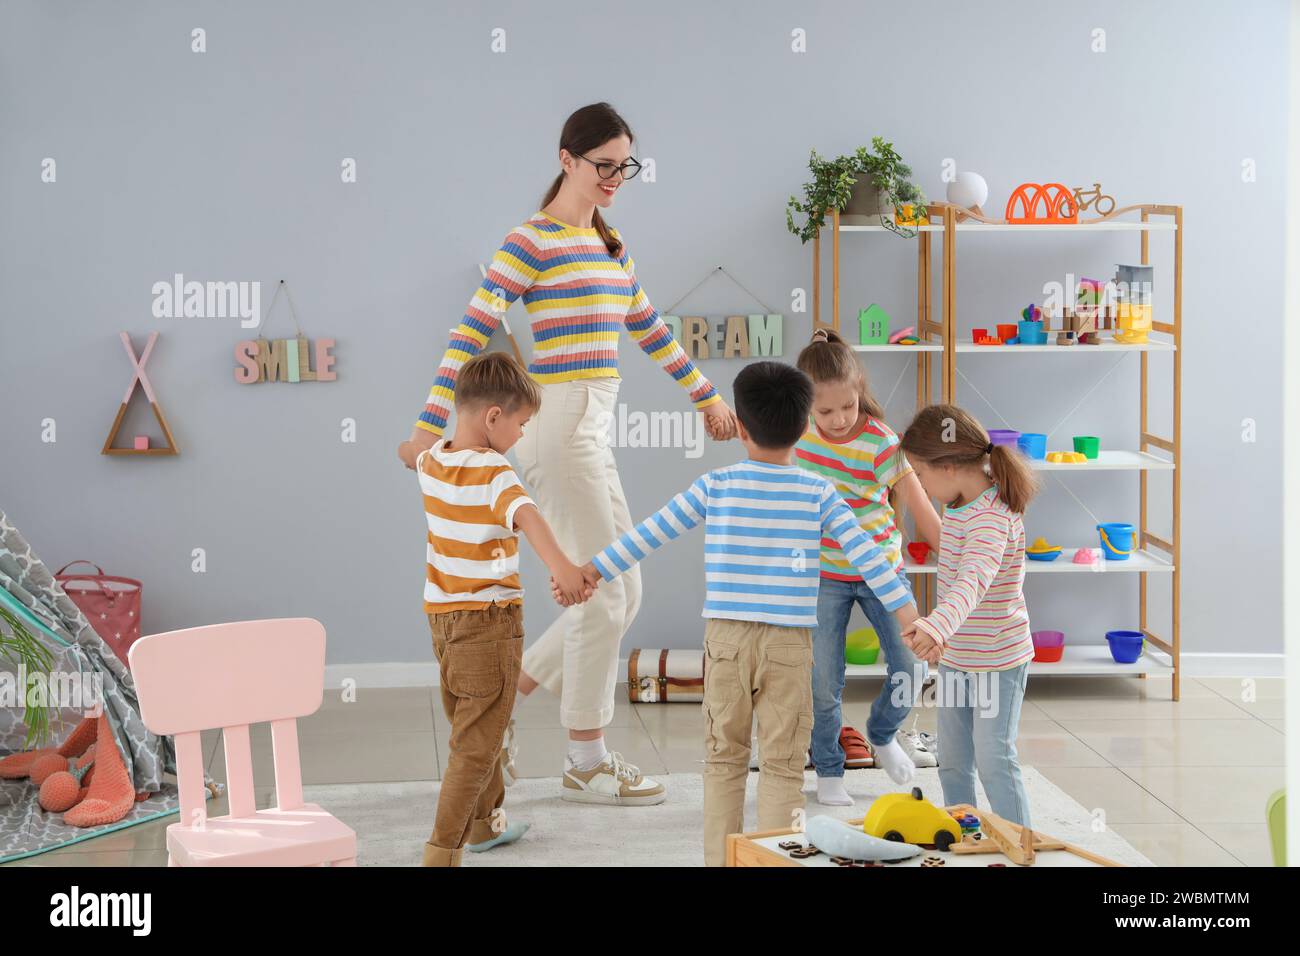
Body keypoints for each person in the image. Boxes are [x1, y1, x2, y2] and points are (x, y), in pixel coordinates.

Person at [398, 102, 737, 806]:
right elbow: (471, 333)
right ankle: (586, 755)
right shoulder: (531, 241)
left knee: (620, 587)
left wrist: (706, 397)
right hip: (558, 425)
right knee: (603, 591)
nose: (616, 178)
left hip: (595, 424)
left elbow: (649, 327)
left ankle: (506, 709)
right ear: (566, 160)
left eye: (625, 166)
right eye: (603, 165)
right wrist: (430, 427)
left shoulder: (611, 246)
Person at [569, 361, 917, 866]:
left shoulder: (717, 484)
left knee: (724, 760)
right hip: (789, 647)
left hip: (727, 644)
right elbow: (871, 557)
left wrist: (590, 571)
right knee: (780, 767)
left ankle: (721, 860)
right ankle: (771, 860)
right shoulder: (819, 493)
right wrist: (909, 617)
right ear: (804, 428)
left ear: (743, 429)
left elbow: (650, 533)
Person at [416, 352, 590, 867]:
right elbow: (528, 515)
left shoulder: (434, 462)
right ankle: (441, 851)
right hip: (488, 626)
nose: (521, 436)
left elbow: (415, 451)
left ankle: (485, 823)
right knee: (475, 745)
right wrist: (563, 568)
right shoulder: (494, 468)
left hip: (442, 624)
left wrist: (410, 442)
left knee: (476, 729)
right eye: (522, 424)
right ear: (493, 416)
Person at [794, 327, 941, 804]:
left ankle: (881, 735)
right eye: (825, 411)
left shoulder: (880, 442)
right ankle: (830, 768)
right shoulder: (798, 441)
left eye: (848, 407)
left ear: (861, 394)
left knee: (910, 666)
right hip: (825, 574)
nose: (838, 420)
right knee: (823, 680)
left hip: (883, 574)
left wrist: (959, 560)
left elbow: (919, 506)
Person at [898, 403, 1039, 827]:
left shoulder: (992, 518)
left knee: (993, 755)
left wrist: (936, 625)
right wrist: (944, 637)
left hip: (999, 658)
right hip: (961, 657)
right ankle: (965, 831)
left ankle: (1021, 841)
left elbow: (971, 582)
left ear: (948, 467)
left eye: (920, 474)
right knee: (954, 759)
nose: (919, 484)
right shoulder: (960, 505)